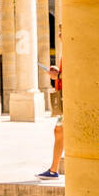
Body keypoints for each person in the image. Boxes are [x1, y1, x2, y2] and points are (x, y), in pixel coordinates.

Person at [37, 44, 63, 179]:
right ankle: (53, 170)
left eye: (61, 29)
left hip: (70, 99)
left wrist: (58, 75)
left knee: (60, 131)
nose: (59, 33)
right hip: (66, 98)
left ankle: (54, 170)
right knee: (59, 131)